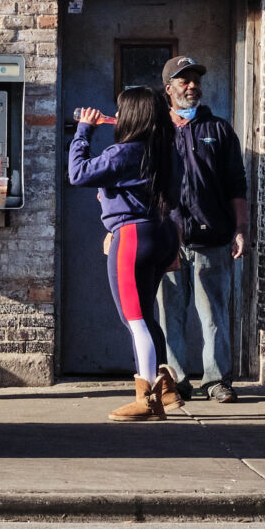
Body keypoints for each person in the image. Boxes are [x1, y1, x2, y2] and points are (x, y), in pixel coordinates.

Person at [69, 87, 182, 422]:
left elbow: (78, 173)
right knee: (146, 316)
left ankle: (146, 398)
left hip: (132, 237)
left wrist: (84, 131)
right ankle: (166, 389)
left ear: (132, 116)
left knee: (134, 320)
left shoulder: (123, 152)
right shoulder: (166, 153)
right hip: (161, 233)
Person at [153, 55, 250, 404]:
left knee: (213, 316)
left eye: (195, 80)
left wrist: (240, 227)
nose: (192, 86)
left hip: (213, 239)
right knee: (170, 317)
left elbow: (236, 185)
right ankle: (176, 382)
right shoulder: (156, 132)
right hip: (167, 241)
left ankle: (216, 381)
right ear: (169, 89)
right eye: (184, 80)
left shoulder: (219, 130)